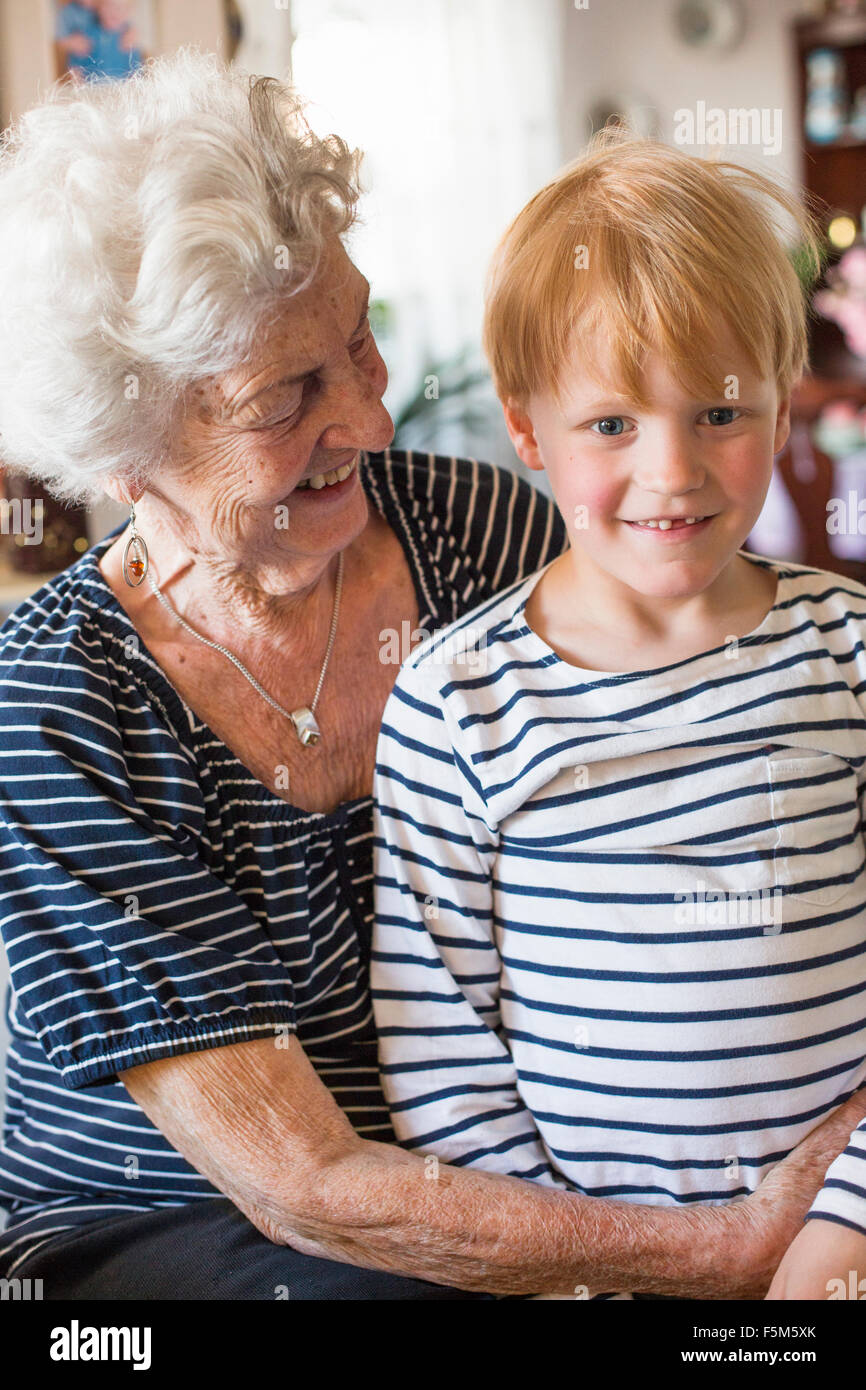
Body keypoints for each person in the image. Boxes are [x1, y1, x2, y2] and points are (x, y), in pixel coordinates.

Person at [0, 48, 861, 1303]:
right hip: (187, 1231)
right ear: (129, 452)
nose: (368, 419)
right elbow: (297, 1182)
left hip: (549, 1204)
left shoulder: (482, 531)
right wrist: (724, 1251)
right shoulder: (55, 703)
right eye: (288, 395)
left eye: (358, 342)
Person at [371, 130, 866, 1300]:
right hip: (589, 1268)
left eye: (718, 413)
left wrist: (835, 1233)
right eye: (611, 425)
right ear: (527, 430)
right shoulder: (454, 703)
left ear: (783, 405)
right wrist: (570, 1279)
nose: (672, 471)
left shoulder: (845, 651)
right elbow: (445, 1059)